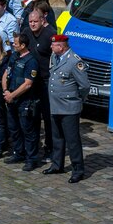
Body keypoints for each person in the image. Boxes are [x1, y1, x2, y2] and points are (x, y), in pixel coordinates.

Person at [45, 31, 89, 181]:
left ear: (61, 47)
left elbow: (84, 86)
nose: (51, 47)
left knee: (72, 140)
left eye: (54, 45)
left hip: (69, 107)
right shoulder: (55, 57)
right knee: (57, 137)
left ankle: (78, 169)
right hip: (55, 105)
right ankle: (57, 164)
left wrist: (77, 100)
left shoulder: (74, 62)